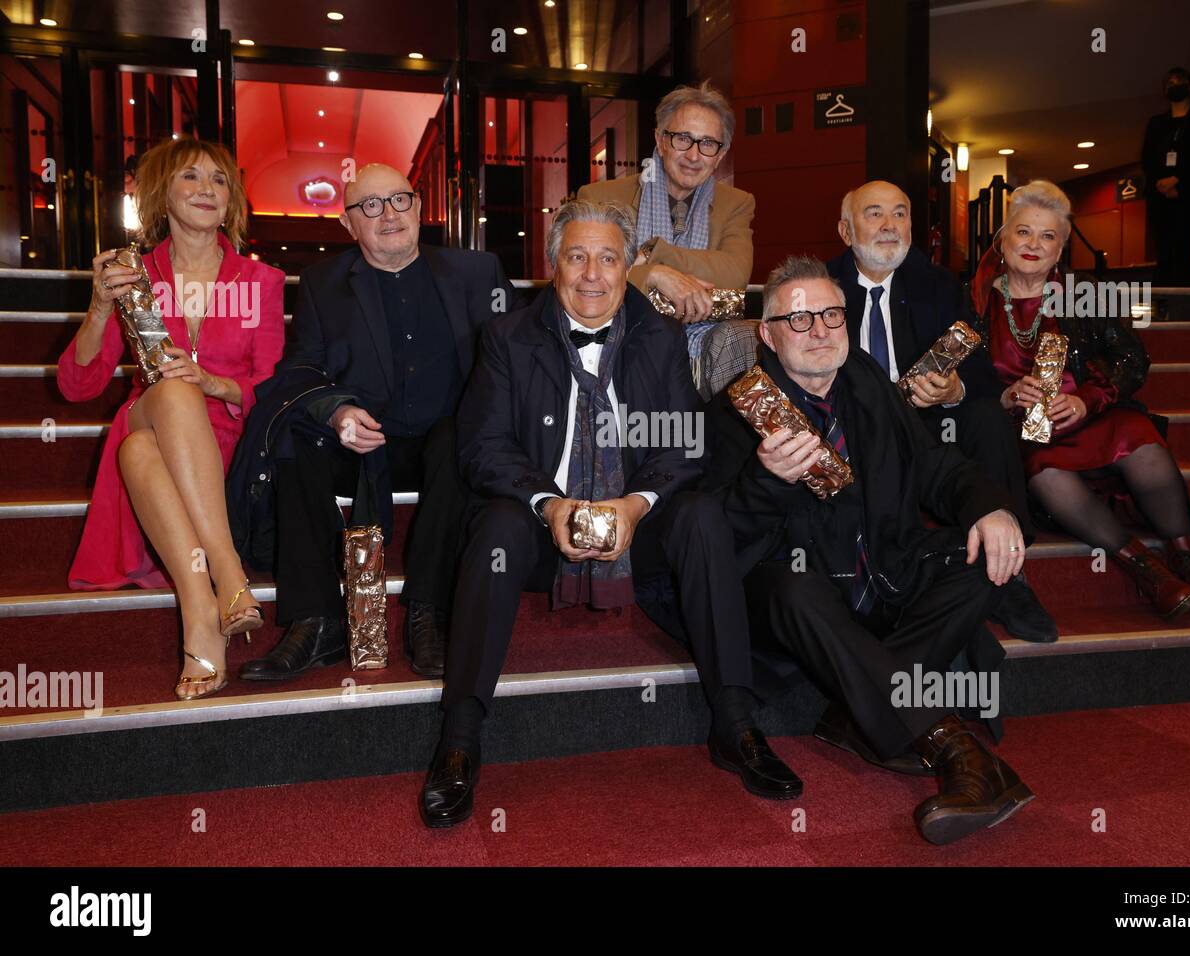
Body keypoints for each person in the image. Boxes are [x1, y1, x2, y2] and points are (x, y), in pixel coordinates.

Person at [418, 200, 801, 828]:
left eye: (607, 258)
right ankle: (459, 738)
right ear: (552, 265)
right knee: (497, 528)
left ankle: (736, 724)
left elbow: (683, 445)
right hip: (543, 527)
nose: (592, 274)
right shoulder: (507, 337)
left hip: (633, 524)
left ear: (629, 268)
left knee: (702, 516)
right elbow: (481, 448)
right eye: (576, 257)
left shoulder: (660, 336)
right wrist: (549, 505)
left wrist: (633, 504)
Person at [702, 255, 1035, 845]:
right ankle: (960, 754)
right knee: (789, 586)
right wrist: (764, 480)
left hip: (884, 571)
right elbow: (713, 536)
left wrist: (991, 506)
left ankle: (857, 712)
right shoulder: (734, 413)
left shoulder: (871, 387)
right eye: (799, 319)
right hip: (796, 596)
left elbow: (936, 468)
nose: (821, 330)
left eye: (832, 314)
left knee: (987, 556)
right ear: (767, 332)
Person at [234, 163, 515, 683]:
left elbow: (515, 360)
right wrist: (336, 411)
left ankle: (429, 613)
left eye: (400, 200)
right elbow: (300, 369)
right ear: (348, 223)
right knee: (297, 438)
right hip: (359, 442)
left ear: (418, 206)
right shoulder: (323, 282)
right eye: (370, 205)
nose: (389, 215)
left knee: (463, 438)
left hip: (443, 441)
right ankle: (316, 620)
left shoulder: (477, 274)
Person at [56, 138, 285, 700]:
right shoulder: (133, 274)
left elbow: (277, 389)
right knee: (170, 393)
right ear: (162, 193)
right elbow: (77, 385)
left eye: (219, 180)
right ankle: (229, 573)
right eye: (191, 177)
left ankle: (201, 611)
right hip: (151, 416)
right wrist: (101, 306)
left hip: (219, 440)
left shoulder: (262, 282)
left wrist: (213, 383)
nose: (207, 189)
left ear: (231, 201)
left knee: (140, 445)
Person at [972, 180, 1190, 620]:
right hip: (1027, 434)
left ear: (1060, 251)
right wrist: (1003, 396)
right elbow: (962, 382)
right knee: (1044, 472)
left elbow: (1133, 358)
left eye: (1048, 236)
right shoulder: (975, 300)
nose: (1033, 244)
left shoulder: (1082, 292)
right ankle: (1149, 572)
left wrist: (1088, 400)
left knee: (1141, 438)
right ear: (1003, 239)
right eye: (1023, 232)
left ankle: (1188, 558)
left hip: (1091, 415)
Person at [827, 180, 1057, 644]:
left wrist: (954, 389)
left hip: (930, 426)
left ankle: (1010, 572)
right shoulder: (821, 286)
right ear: (846, 230)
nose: (890, 226)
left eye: (901, 213)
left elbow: (984, 377)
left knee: (988, 417)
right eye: (874, 214)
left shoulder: (938, 286)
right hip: (852, 429)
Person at [577, 81, 757, 398]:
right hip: (618, 338)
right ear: (660, 140)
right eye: (683, 139)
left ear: (721, 154)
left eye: (708, 144)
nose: (693, 155)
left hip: (704, 345)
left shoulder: (736, 203)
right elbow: (589, 276)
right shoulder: (601, 198)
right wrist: (656, 276)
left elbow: (735, 272)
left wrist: (653, 254)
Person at [1141, 67, 1190, 286]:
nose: (1173, 85)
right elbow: (1148, 159)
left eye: (1179, 81)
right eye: (1169, 82)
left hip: (1188, 196)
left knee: (1183, 249)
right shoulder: (1157, 123)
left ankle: (1181, 304)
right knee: (1163, 250)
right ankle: (1162, 304)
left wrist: (1178, 181)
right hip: (1159, 197)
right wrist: (1161, 184)